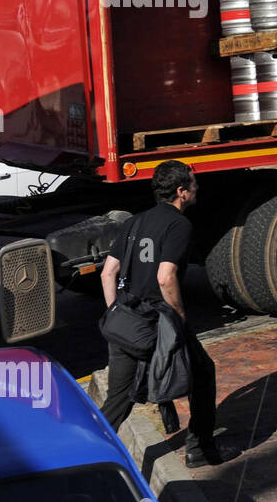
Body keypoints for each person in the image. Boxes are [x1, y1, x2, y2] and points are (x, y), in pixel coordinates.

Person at [99, 161, 238, 468]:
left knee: (118, 398)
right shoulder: (179, 226)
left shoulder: (134, 222)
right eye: (194, 183)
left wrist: (114, 312)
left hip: (124, 322)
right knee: (202, 373)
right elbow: (165, 277)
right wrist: (179, 319)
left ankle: (91, 454)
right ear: (181, 192)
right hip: (157, 321)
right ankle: (200, 449)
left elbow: (108, 273)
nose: (197, 187)